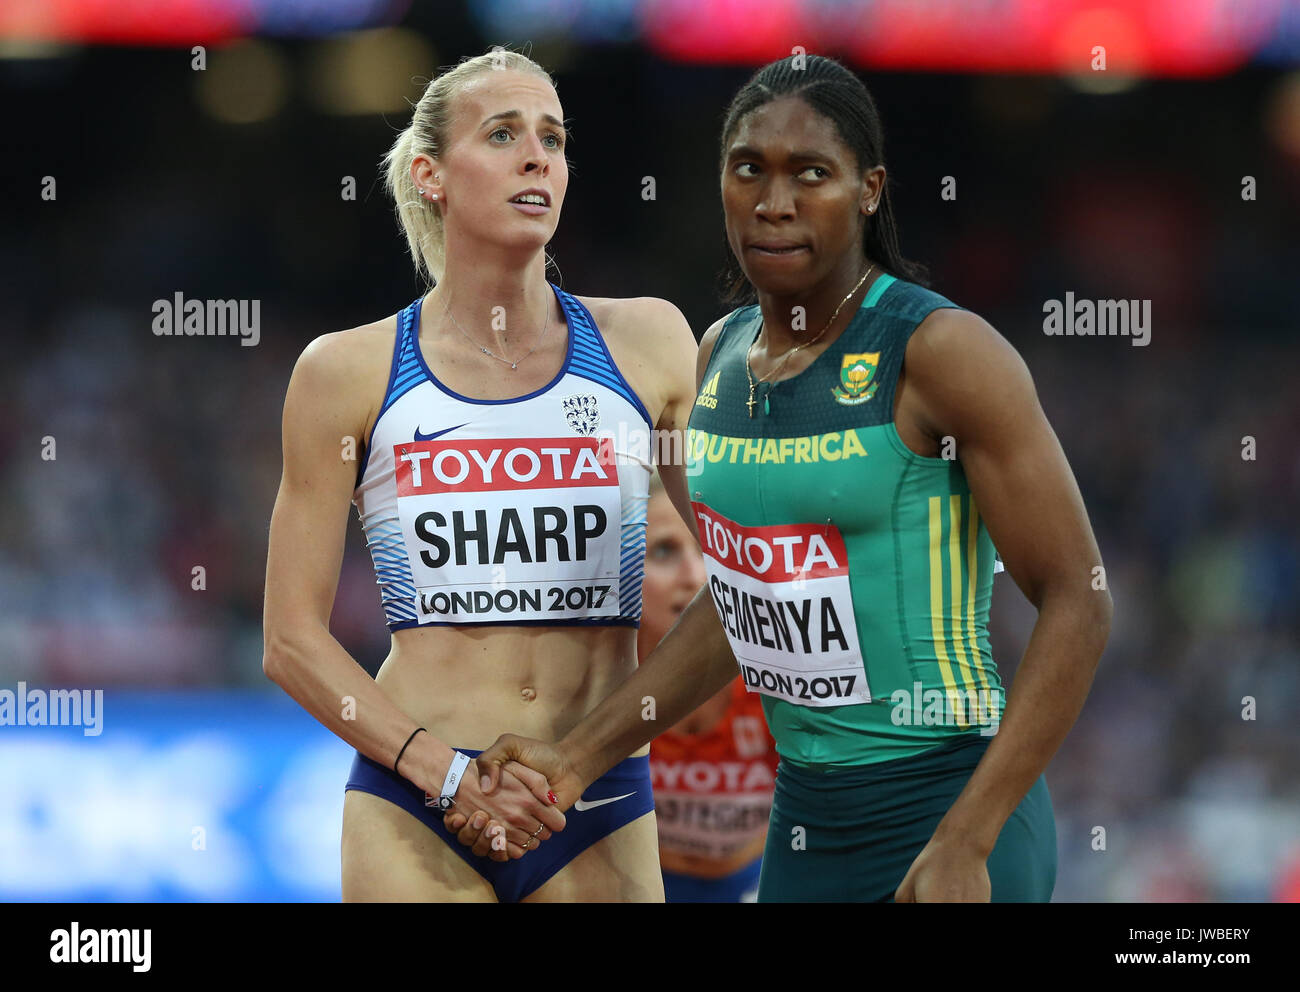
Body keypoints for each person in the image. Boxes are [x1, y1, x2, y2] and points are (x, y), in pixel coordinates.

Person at [469, 55, 1112, 902]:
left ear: (870, 189)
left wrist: (969, 837)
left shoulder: (942, 354)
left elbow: (1080, 595)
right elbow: (742, 607)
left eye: (812, 174)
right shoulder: (720, 355)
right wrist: (576, 758)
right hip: (806, 824)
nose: (775, 203)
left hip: (948, 806)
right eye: (750, 171)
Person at [261, 48, 697, 902]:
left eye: (554, 138)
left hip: (596, 796)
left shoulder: (651, 346)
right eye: (503, 134)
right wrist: (448, 775)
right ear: (430, 174)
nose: (539, 157)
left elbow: (739, 590)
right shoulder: (344, 372)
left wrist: (579, 759)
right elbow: (289, 641)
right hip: (415, 801)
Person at [638, 470, 778, 902]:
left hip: (759, 879)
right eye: (664, 550)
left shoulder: (777, 676)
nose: (696, 576)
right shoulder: (591, 688)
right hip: (640, 881)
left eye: (707, 550)